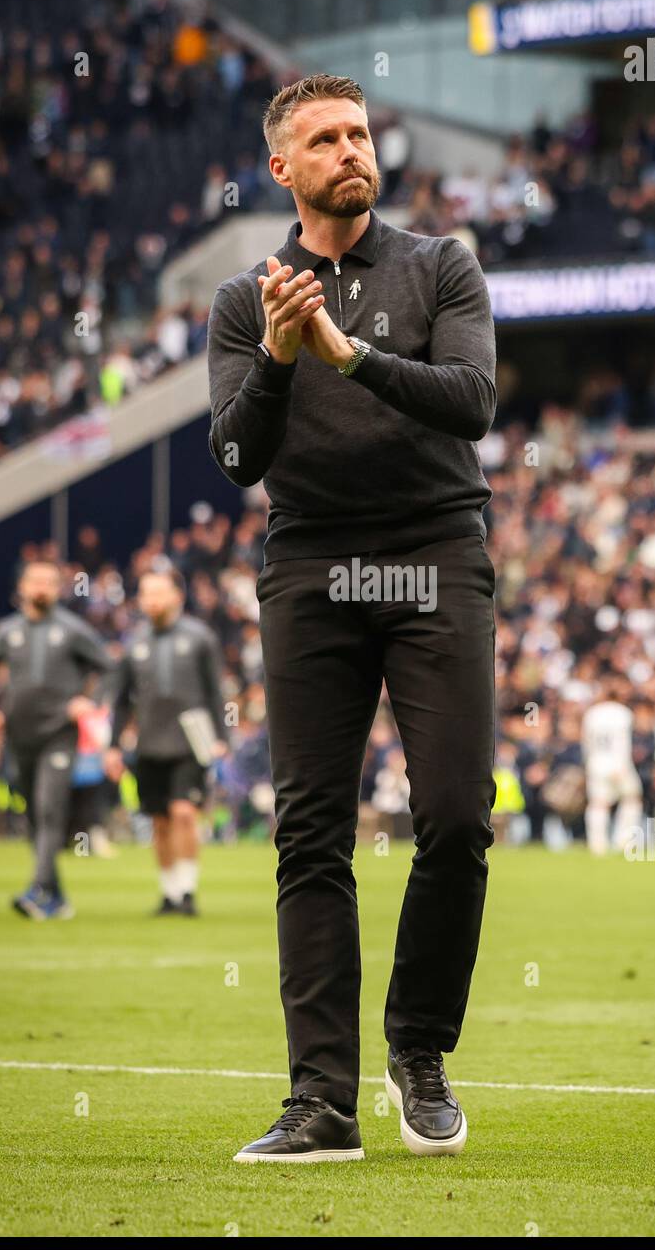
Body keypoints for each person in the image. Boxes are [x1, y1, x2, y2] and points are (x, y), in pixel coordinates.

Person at [208, 73, 497, 1162]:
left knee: (459, 817)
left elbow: (472, 404)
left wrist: (350, 355)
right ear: (282, 167)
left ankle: (416, 1049)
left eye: (359, 132)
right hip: (312, 563)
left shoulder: (440, 264)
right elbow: (238, 459)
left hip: (434, 552)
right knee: (309, 832)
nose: (349, 149)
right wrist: (284, 357)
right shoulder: (247, 303)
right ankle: (319, 1100)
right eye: (324, 138)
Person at [0, 559, 112, 919]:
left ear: (59, 588)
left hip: (58, 736)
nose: (41, 588)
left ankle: (37, 890)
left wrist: (90, 701)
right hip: (19, 738)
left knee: (50, 808)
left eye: (49, 582)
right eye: (35, 580)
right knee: (33, 816)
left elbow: (109, 668)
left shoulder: (73, 630)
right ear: (22, 586)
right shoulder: (7, 630)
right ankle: (56, 896)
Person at [103, 566, 227, 916]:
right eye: (146, 593)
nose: (152, 600)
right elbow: (121, 701)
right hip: (148, 744)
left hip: (191, 741)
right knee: (158, 820)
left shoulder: (200, 638)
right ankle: (170, 893)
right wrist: (113, 746)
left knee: (184, 813)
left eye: (159, 592)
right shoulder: (134, 643)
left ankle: (187, 891)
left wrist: (221, 737)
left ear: (177, 595)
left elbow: (215, 692)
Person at [581, 685, 643, 854]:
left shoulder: (591, 713)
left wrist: (587, 764)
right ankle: (623, 840)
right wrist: (622, 765)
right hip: (618, 762)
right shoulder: (623, 712)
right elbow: (623, 741)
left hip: (595, 762)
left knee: (598, 803)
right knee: (632, 799)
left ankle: (597, 844)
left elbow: (586, 742)